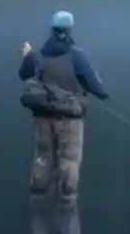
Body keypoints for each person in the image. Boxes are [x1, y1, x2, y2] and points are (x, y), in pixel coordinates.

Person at [18, 10, 110, 204]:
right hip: (70, 120)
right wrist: (102, 94)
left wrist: (27, 56)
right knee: (68, 159)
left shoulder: (37, 56)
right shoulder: (78, 56)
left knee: (43, 157)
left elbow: (24, 74)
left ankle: (38, 198)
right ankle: (67, 201)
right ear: (69, 30)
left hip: (42, 117)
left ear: (52, 30)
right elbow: (97, 88)